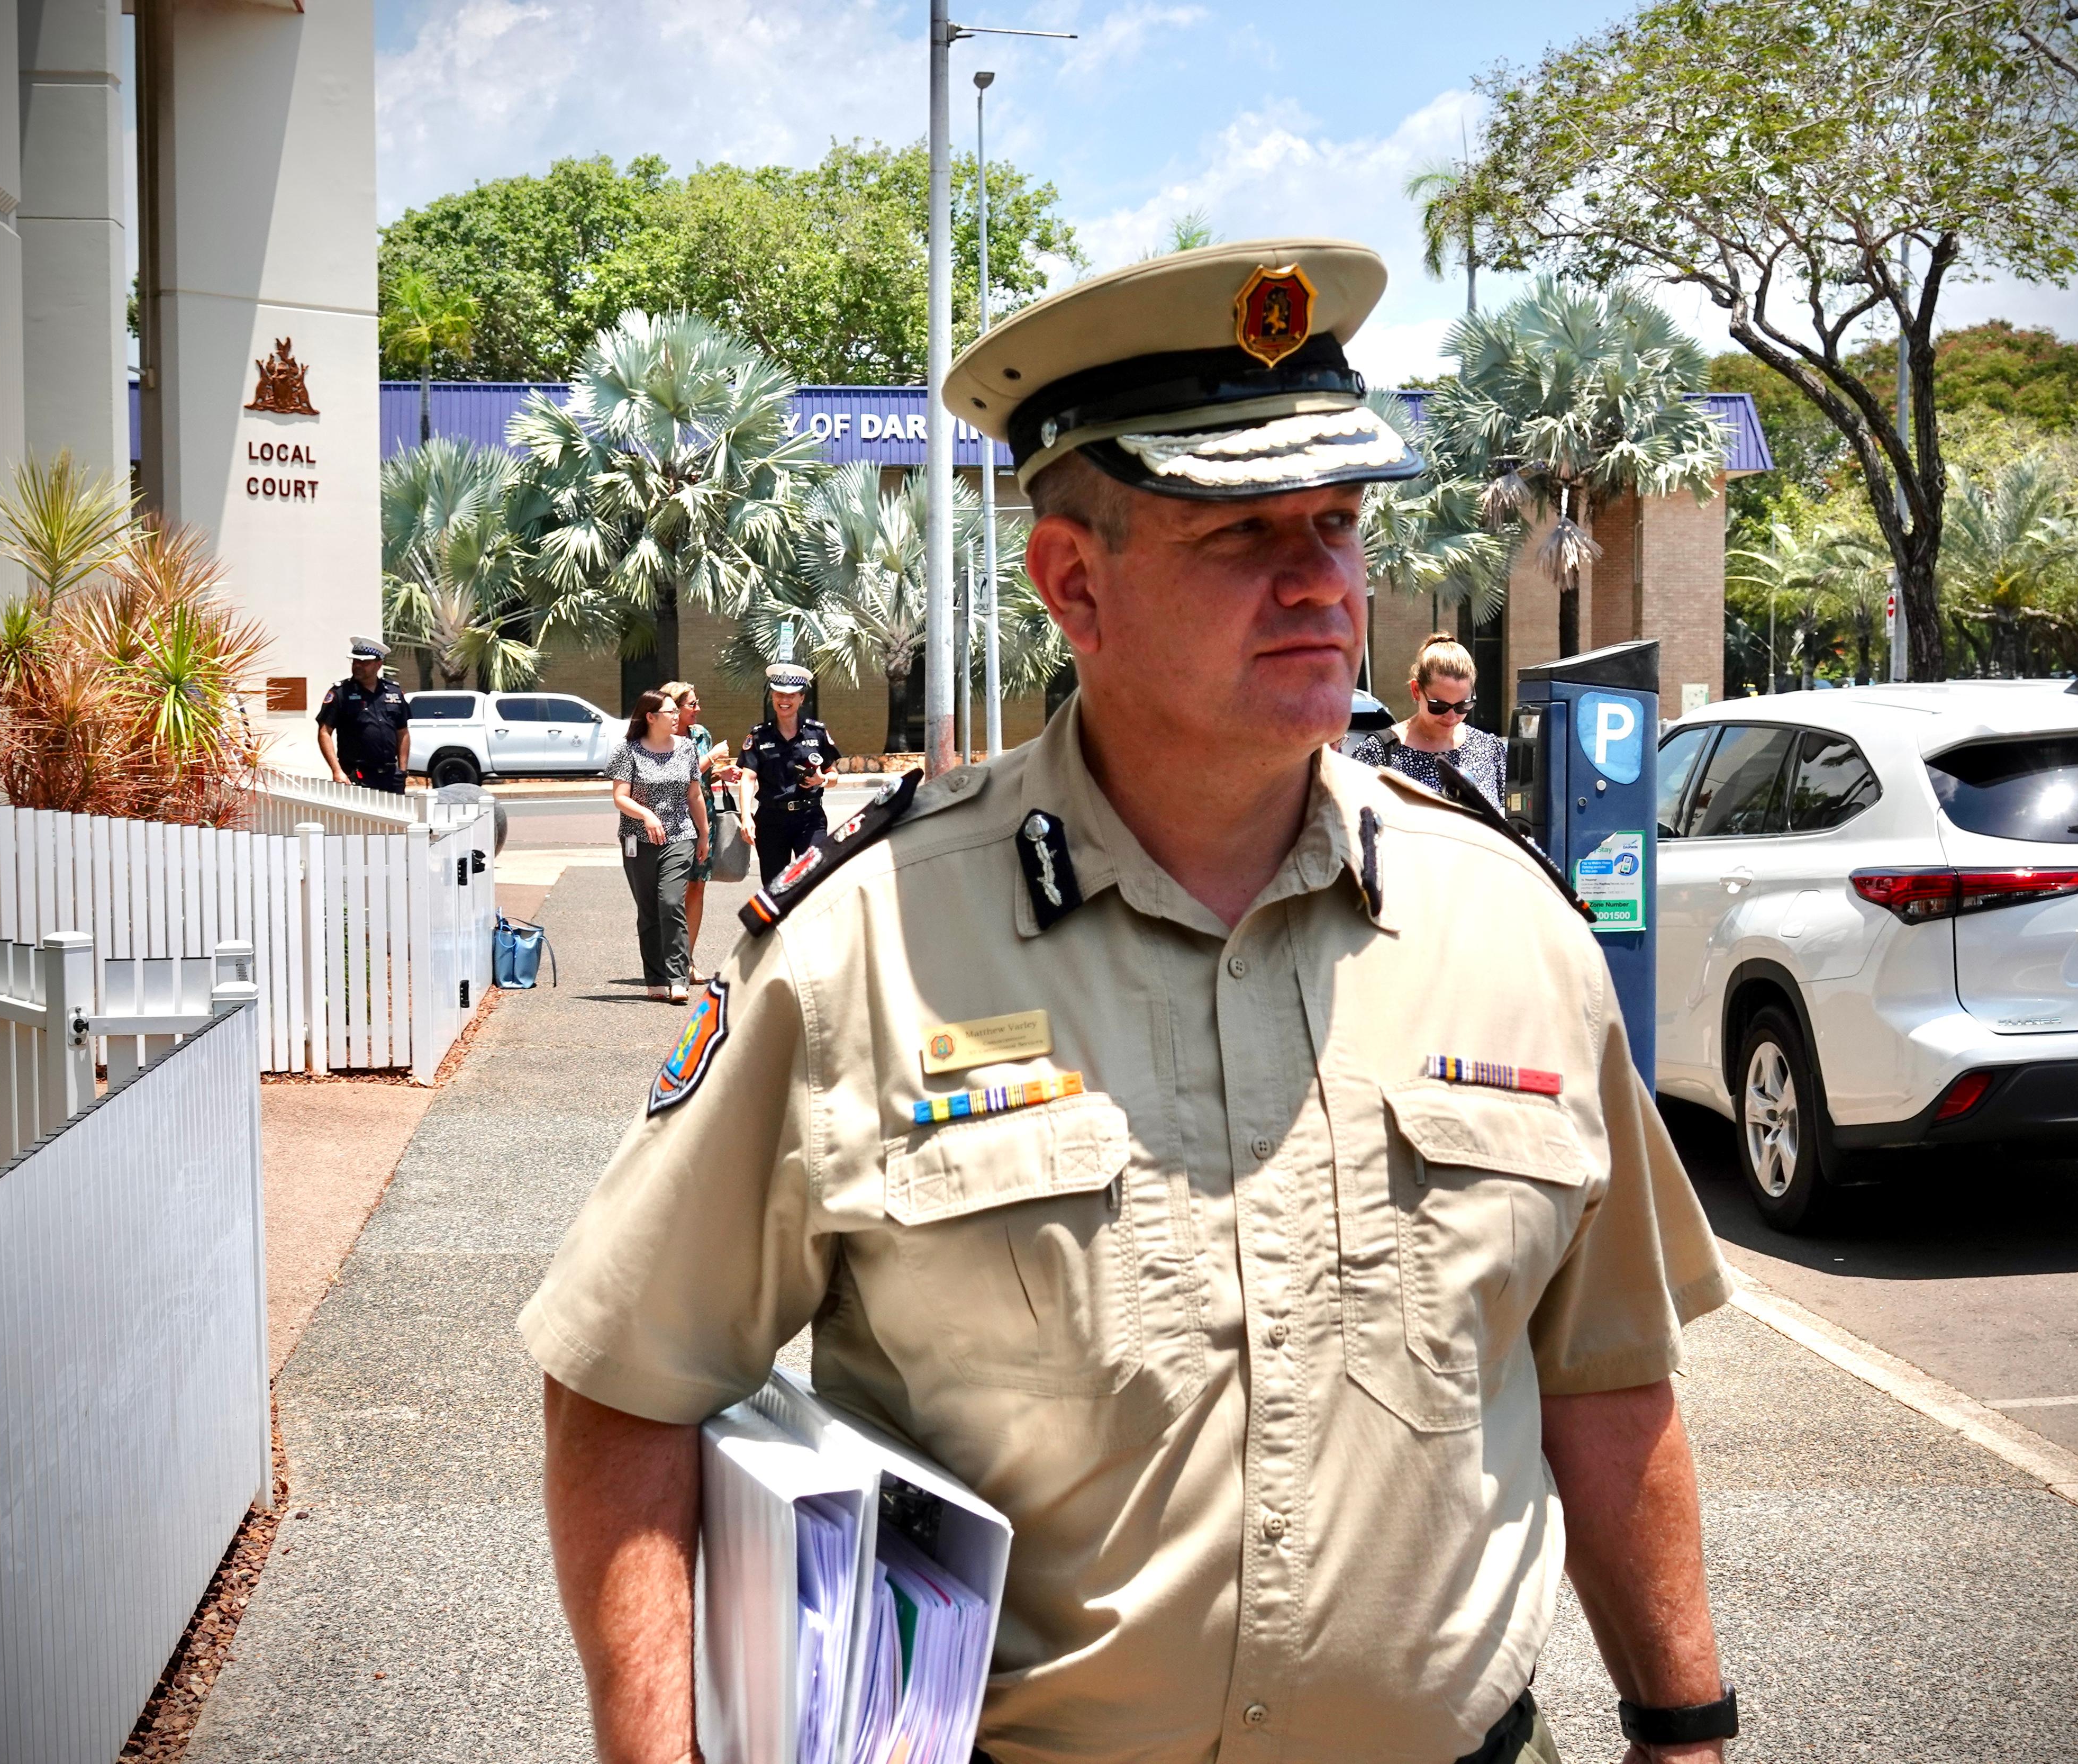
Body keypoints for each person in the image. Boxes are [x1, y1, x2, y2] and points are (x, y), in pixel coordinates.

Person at [523, 239, 1738, 1764]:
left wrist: (1684, 1723)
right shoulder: (863, 950)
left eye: (1340, 520)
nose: (1321, 578)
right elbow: (627, 1383)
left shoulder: (1509, 926)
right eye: (1240, 532)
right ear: (1071, 583)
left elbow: (1607, 1370)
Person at [606, 691, 710, 1003]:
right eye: (669, 712)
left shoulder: (687, 748)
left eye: (676, 711)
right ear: (651, 717)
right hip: (637, 839)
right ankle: (655, 979)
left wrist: (703, 835)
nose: (676, 715)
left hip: (680, 835)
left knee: (671, 901)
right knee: (649, 909)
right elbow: (620, 797)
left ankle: (678, 978)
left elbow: (695, 796)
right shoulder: (628, 751)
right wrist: (647, 815)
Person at [1349, 631, 1510, 803]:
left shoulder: (1489, 749)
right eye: (1439, 706)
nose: (1451, 717)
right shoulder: (1380, 751)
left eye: (1463, 706)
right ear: (1416, 691)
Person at [738, 662, 840, 881]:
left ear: (801, 698)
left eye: (791, 695)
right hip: (771, 819)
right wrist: (747, 816)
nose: (784, 701)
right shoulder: (759, 736)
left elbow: (833, 776)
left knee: (813, 879)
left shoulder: (817, 732)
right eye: (779, 695)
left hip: (809, 819)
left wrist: (822, 780)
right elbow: (748, 777)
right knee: (775, 887)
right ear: (772, 698)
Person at [656, 680, 731, 964]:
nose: (698, 709)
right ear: (674, 707)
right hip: (671, 819)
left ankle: (687, 959)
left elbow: (698, 780)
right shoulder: (662, 736)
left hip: (702, 818)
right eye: (692, 704)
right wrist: (711, 759)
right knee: (674, 891)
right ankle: (668, 959)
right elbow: (676, 776)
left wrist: (719, 775)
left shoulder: (700, 734)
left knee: (698, 885)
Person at [314, 638, 410, 794]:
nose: (357, 666)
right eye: (355, 662)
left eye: (364, 662)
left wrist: (403, 770)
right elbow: (324, 732)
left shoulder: (394, 692)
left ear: (379, 664)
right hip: (356, 775)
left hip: (391, 776)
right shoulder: (341, 693)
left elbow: (403, 732)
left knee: (395, 818)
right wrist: (337, 771)